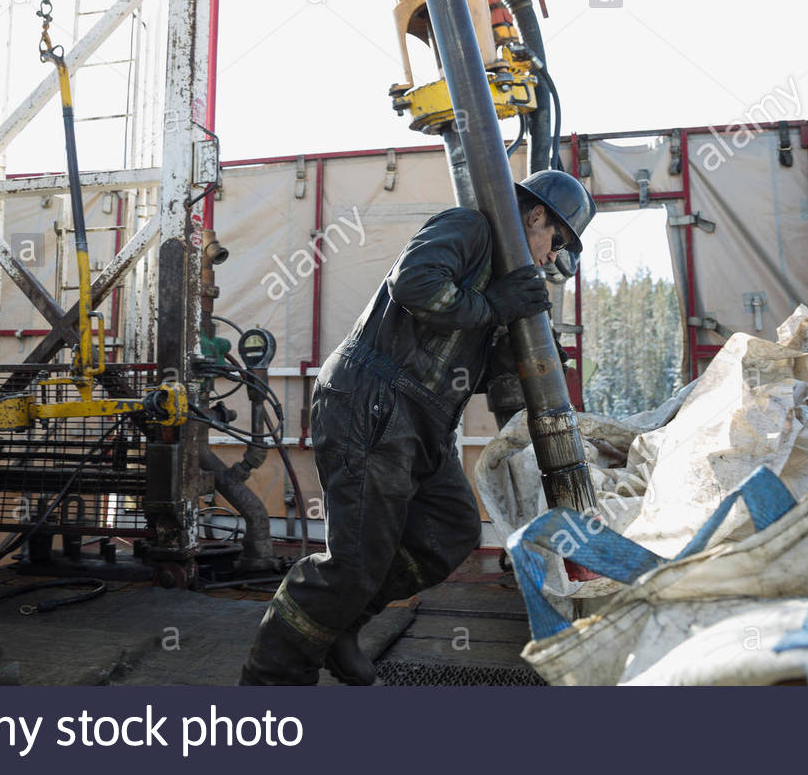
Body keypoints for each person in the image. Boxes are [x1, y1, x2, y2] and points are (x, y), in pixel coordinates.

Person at [239, 170, 596, 685]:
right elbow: (414, 285)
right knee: (356, 559)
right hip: (374, 401)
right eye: (555, 243)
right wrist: (496, 306)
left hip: (424, 418)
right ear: (536, 214)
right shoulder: (469, 228)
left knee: (448, 532)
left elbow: (456, 360)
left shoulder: (502, 272)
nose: (548, 259)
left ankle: (337, 623)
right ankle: (269, 683)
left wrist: (519, 353)